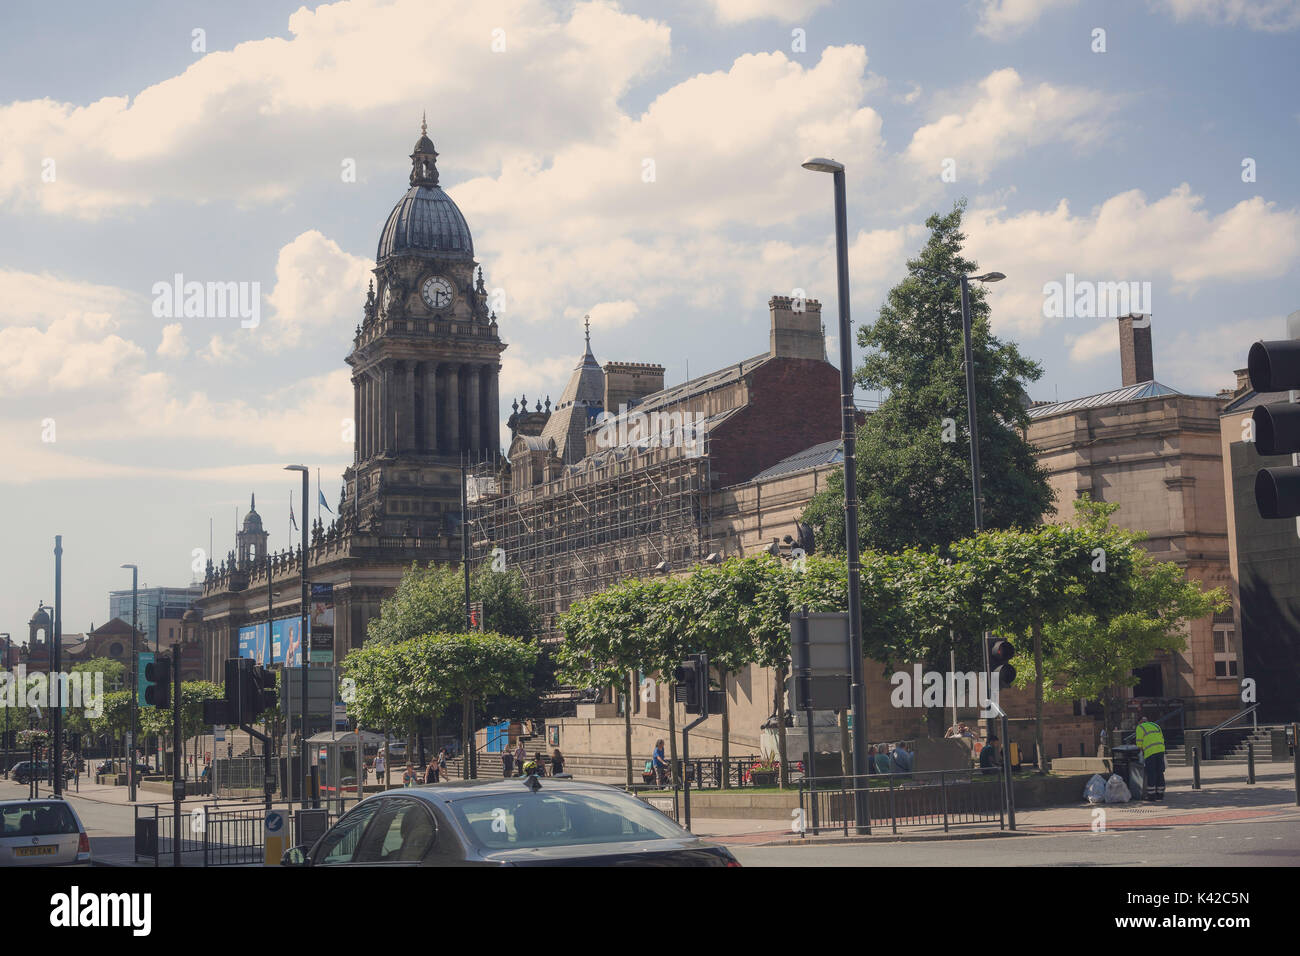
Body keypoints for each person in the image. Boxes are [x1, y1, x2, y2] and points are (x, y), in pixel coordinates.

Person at [1134, 711, 1166, 801]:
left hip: (1150, 752)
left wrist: (1139, 752)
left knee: (1151, 773)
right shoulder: (1156, 725)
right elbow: (1162, 738)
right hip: (1160, 750)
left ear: (1139, 722)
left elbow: (1139, 743)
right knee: (1160, 772)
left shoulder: (1140, 727)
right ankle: (1160, 794)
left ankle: (1151, 795)